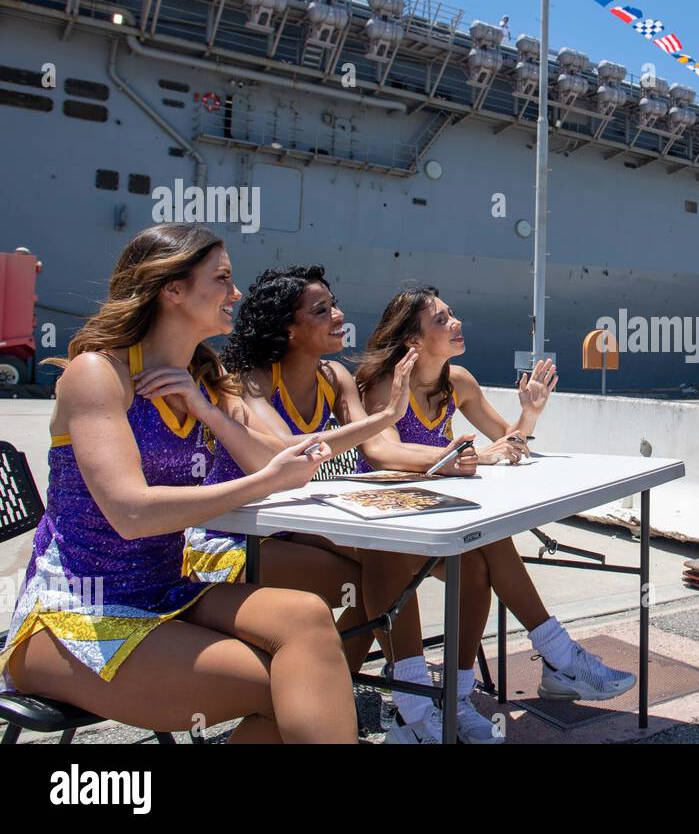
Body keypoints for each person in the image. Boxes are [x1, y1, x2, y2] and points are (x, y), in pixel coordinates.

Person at [0, 224, 357, 743]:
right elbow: (131, 512)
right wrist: (261, 482)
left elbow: (275, 463)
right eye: (222, 279)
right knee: (299, 685)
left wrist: (205, 410)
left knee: (306, 614)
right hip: (77, 612)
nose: (236, 294)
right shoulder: (98, 374)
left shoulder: (200, 377)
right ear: (172, 290)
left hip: (162, 587)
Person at [354, 286, 637, 744]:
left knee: (483, 555)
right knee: (486, 547)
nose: (456, 322)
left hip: (437, 522)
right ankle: (554, 659)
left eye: (452, 314)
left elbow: (508, 443)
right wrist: (458, 455)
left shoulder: (458, 381)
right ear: (413, 340)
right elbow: (379, 449)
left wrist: (528, 416)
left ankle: (458, 698)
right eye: (442, 320)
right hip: (389, 531)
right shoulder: (386, 384)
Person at [182, 265, 426, 679]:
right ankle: (387, 696)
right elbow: (288, 455)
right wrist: (387, 413)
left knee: (385, 561)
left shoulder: (335, 376)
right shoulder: (252, 381)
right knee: (384, 580)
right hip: (232, 536)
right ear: (289, 330)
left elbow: (376, 447)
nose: (338, 316)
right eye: (321, 310)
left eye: (334, 305)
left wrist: (452, 458)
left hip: (288, 525)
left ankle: (400, 696)